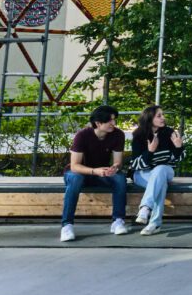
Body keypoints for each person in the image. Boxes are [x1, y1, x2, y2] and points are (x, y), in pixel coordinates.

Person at [60, 104, 128, 243]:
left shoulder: (118, 134)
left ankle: (118, 221)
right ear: (97, 123)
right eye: (110, 121)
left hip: (101, 173)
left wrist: (113, 168)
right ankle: (67, 225)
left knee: (120, 178)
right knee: (75, 179)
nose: (113, 123)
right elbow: (75, 166)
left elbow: (118, 162)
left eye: (114, 120)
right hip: (79, 173)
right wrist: (94, 171)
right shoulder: (82, 135)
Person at [129, 105, 184, 236]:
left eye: (163, 115)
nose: (163, 118)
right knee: (161, 184)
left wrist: (178, 148)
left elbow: (178, 159)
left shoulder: (170, 133)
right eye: (159, 116)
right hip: (143, 174)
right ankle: (155, 223)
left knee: (160, 170)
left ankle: (145, 207)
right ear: (149, 118)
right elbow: (135, 164)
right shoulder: (138, 135)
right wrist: (150, 152)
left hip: (166, 170)